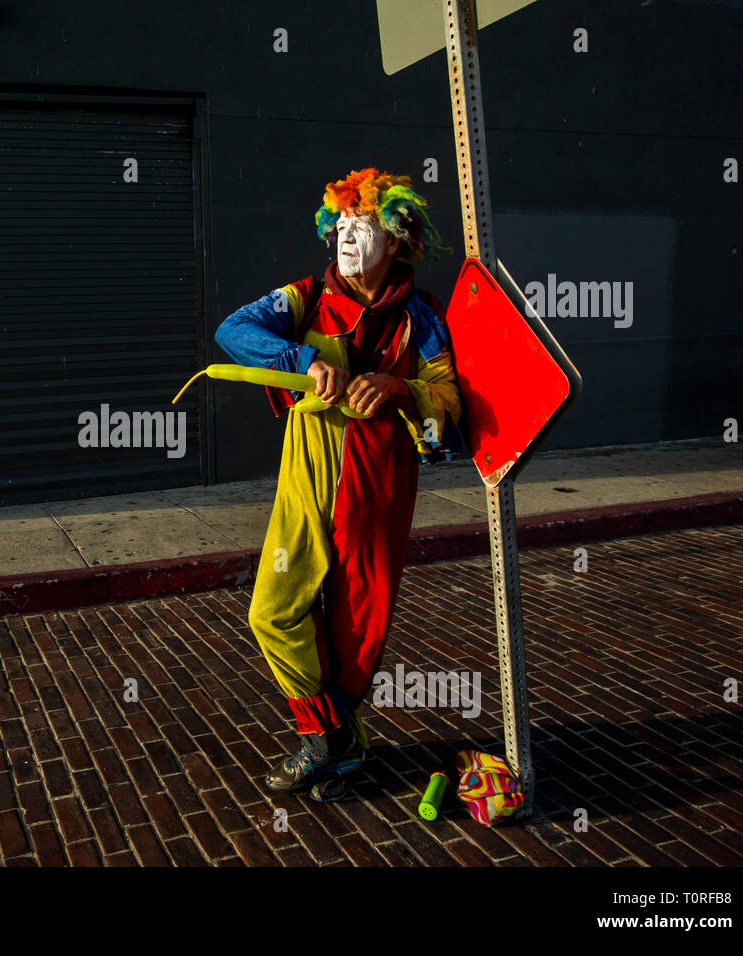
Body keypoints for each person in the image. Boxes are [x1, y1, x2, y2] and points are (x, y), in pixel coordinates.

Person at [214, 167, 464, 799]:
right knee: (272, 610)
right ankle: (330, 736)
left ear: (399, 239)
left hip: (379, 485)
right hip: (308, 476)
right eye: (342, 226)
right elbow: (233, 332)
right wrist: (304, 359)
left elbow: (451, 404)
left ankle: (337, 752)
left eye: (366, 227)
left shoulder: (423, 319)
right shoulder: (302, 298)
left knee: (357, 625)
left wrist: (399, 388)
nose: (349, 238)